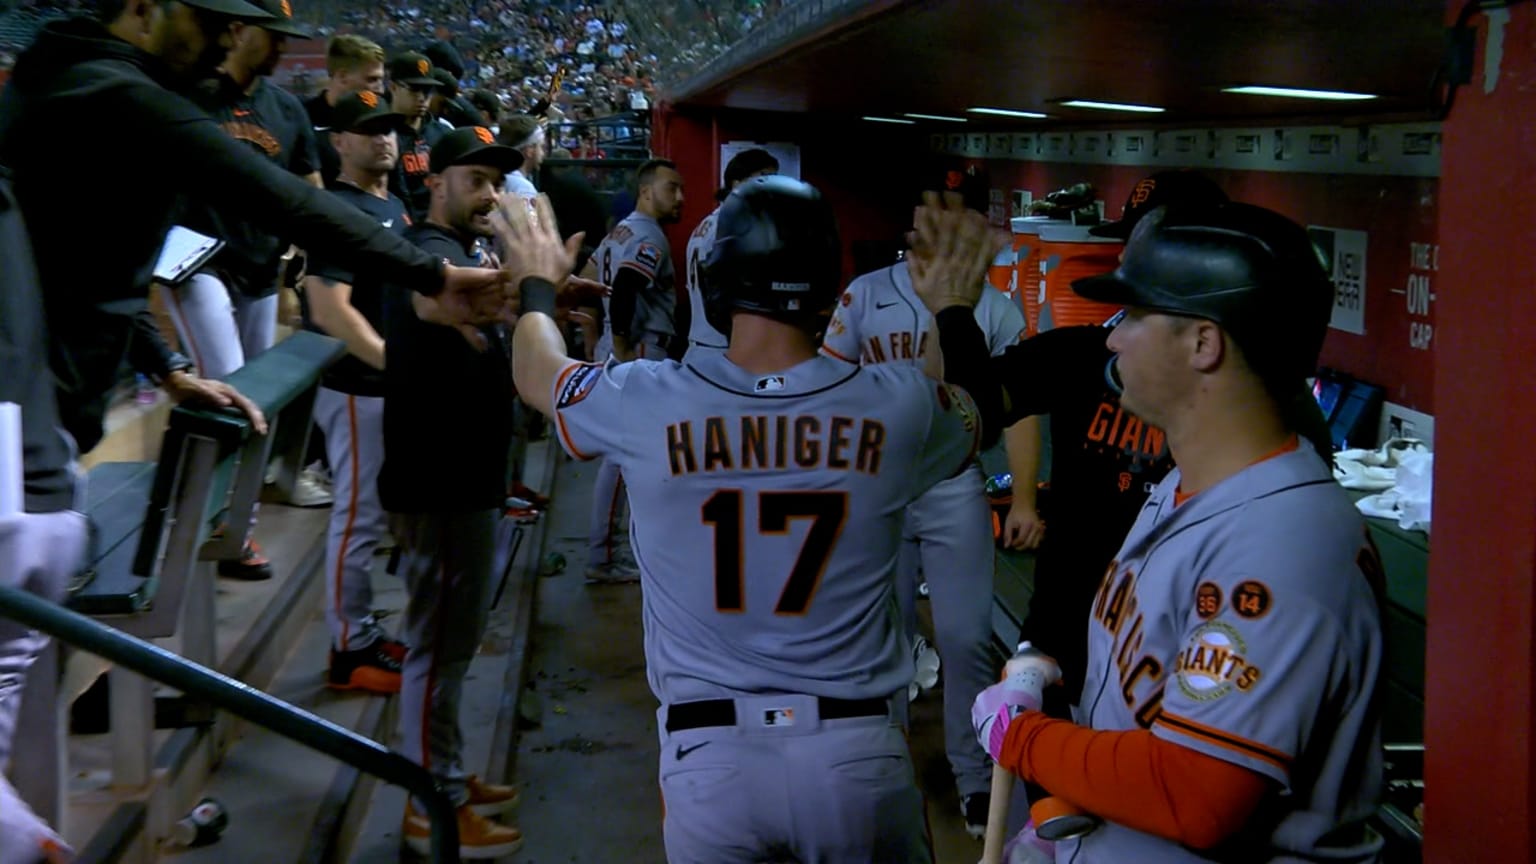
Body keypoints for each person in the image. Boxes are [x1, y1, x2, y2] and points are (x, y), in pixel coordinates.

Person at [498, 176, 989, 864]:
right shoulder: (896, 405)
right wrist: (951, 307)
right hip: (855, 755)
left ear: (717, 278)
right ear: (826, 285)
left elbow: (536, 370)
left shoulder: (647, 399)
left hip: (710, 761)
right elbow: (977, 403)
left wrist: (536, 288)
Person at [920, 198, 1385, 863]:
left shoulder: (1285, 542)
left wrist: (1026, 738)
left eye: (1135, 315)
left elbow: (1195, 795)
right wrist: (1047, 674)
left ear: (1203, 343)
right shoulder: (1185, 483)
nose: (1112, 336)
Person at [0, 0, 514, 459]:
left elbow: (87, 266)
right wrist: (430, 274)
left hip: (43, 401)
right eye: (209, 21)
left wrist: (168, 368)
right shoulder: (111, 91)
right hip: (23, 406)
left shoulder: (78, 74)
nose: (226, 38)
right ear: (142, 10)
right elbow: (285, 200)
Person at [819, 178, 1035, 839]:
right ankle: (884, 769)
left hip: (952, 484)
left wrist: (1024, 496)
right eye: (925, 227)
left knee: (967, 638)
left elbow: (1018, 406)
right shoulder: (866, 294)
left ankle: (974, 781)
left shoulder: (993, 308)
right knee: (882, 638)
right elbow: (828, 385)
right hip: (877, 485)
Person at [380, 125, 525, 859]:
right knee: (436, 648)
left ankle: (451, 776)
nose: (490, 194)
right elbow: (430, 305)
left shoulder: (465, 254)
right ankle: (427, 803)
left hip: (467, 479)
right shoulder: (424, 259)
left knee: (454, 646)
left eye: (496, 182)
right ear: (434, 182)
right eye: (475, 180)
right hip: (436, 484)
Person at [164, 0, 320, 580]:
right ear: (238, 31)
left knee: (258, 403)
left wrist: (303, 251)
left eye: (286, 37)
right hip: (197, 265)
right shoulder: (191, 94)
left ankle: (228, 524)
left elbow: (310, 185)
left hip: (261, 267)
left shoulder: (286, 109)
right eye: (271, 35)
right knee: (229, 389)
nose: (280, 47)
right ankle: (221, 528)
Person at [303, 91, 415, 695]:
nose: (383, 139)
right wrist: (394, 366)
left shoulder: (393, 203)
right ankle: (348, 648)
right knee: (357, 517)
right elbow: (328, 307)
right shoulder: (337, 209)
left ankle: (363, 631)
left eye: (389, 129)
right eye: (367, 131)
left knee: (374, 517)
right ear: (339, 142)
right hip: (356, 386)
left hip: (383, 387)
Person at [582, 158, 685, 583]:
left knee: (624, 456)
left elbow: (586, 278)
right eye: (671, 187)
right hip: (639, 349)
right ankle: (603, 556)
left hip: (619, 345)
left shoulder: (620, 229)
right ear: (646, 191)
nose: (679, 196)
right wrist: (622, 346)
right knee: (622, 458)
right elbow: (625, 285)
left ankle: (609, 551)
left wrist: (594, 337)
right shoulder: (648, 235)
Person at [682, 147, 777, 361]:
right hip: (722, 348)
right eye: (764, 178)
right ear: (737, 183)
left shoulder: (707, 223)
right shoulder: (735, 226)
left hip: (700, 345)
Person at [303, 34, 386, 186]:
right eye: (372, 80)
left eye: (381, 80)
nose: (381, 89)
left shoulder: (383, 119)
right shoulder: (303, 120)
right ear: (342, 76)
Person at [384, 50, 444, 221]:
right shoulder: (381, 134)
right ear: (393, 87)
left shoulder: (441, 133)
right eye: (414, 89)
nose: (422, 98)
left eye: (427, 91)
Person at [498, 113, 546, 211]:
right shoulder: (523, 188)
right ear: (530, 150)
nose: (543, 153)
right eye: (541, 146)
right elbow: (531, 226)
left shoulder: (497, 176)